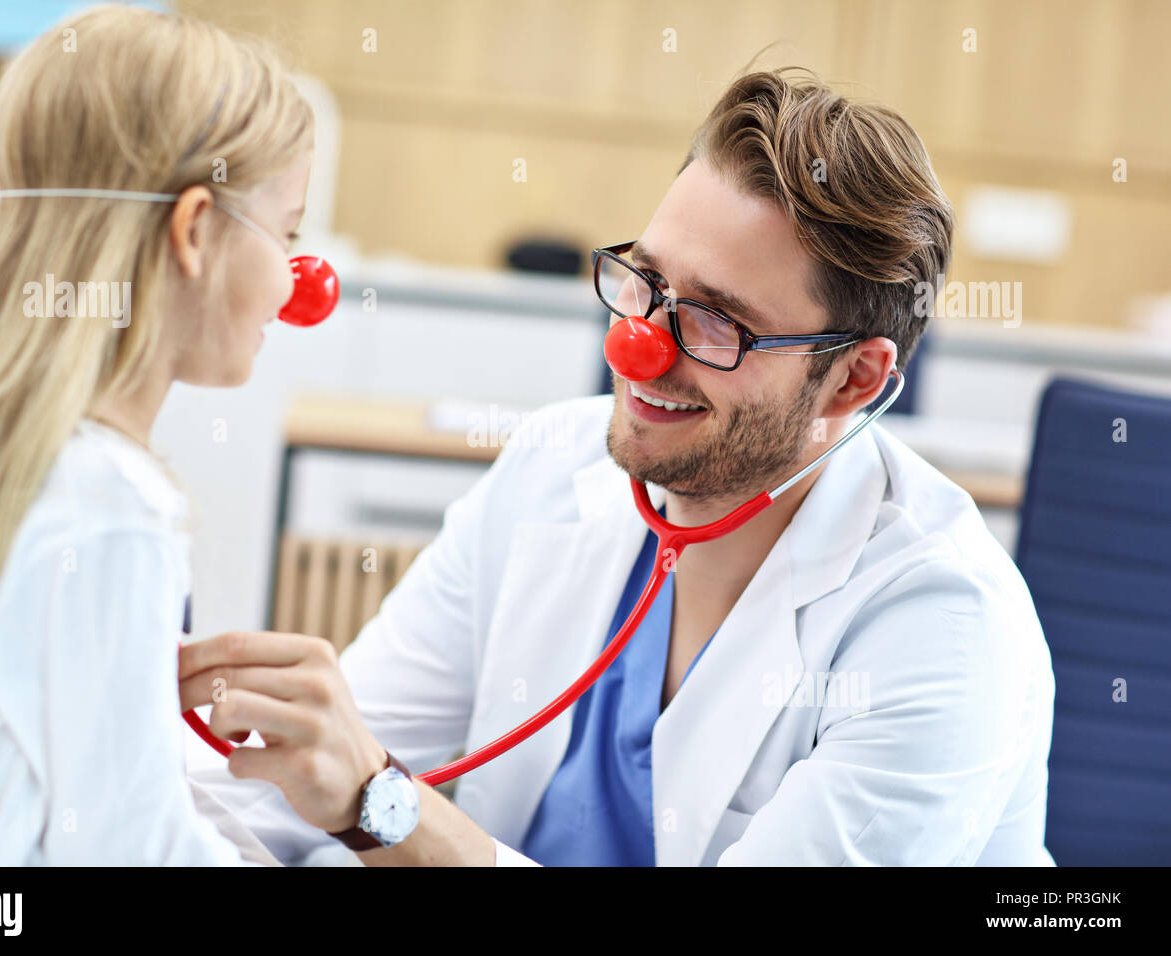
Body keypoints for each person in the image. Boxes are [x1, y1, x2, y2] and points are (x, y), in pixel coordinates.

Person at [183, 67, 1057, 866]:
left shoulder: (942, 628)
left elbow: (362, 792)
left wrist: (384, 806)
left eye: (718, 322)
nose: (635, 347)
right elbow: (294, 801)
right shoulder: (550, 468)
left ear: (853, 378)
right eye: (644, 282)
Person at [0, 4, 320, 864]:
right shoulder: (110, 503)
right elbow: (128, 849)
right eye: (288, 233)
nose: (300, 279)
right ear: (193, 231)